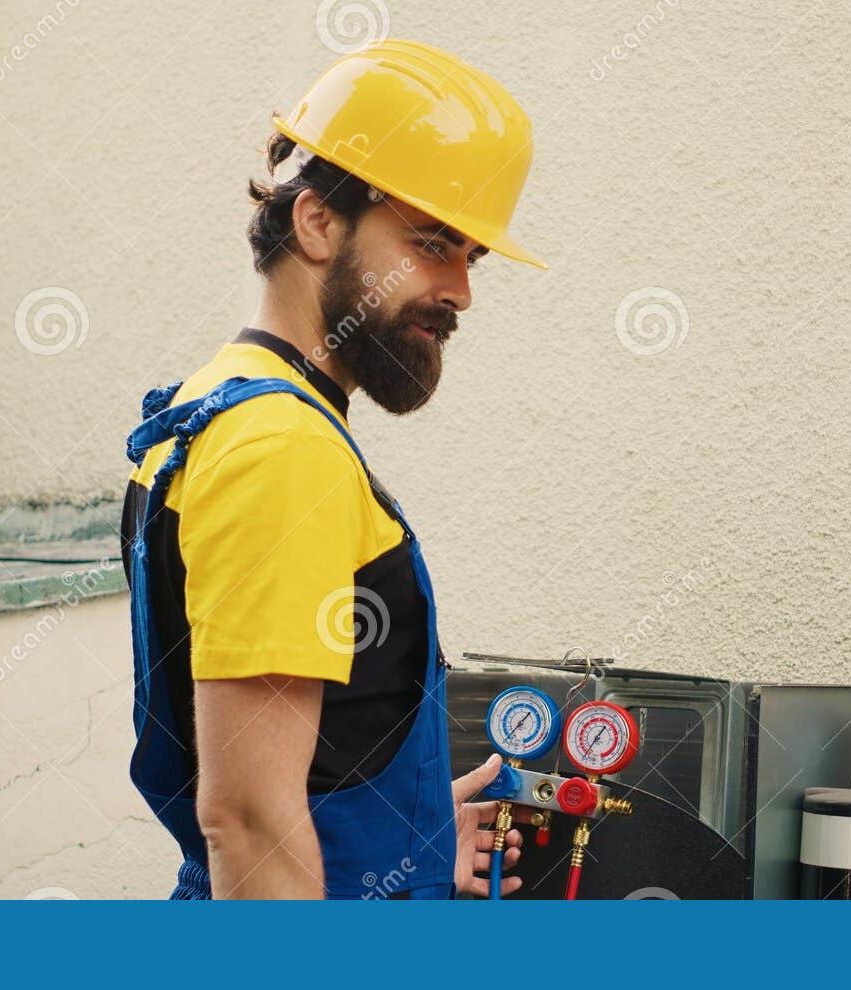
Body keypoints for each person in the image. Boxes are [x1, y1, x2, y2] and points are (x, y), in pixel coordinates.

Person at [120, 39, 546, 899]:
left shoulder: (217, 404)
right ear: (317, 222)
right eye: (432, 242)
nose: (461, 288)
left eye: (471, 255)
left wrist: (411, 841)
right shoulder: (283, 448)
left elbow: (298, 772)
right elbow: (246, 818)